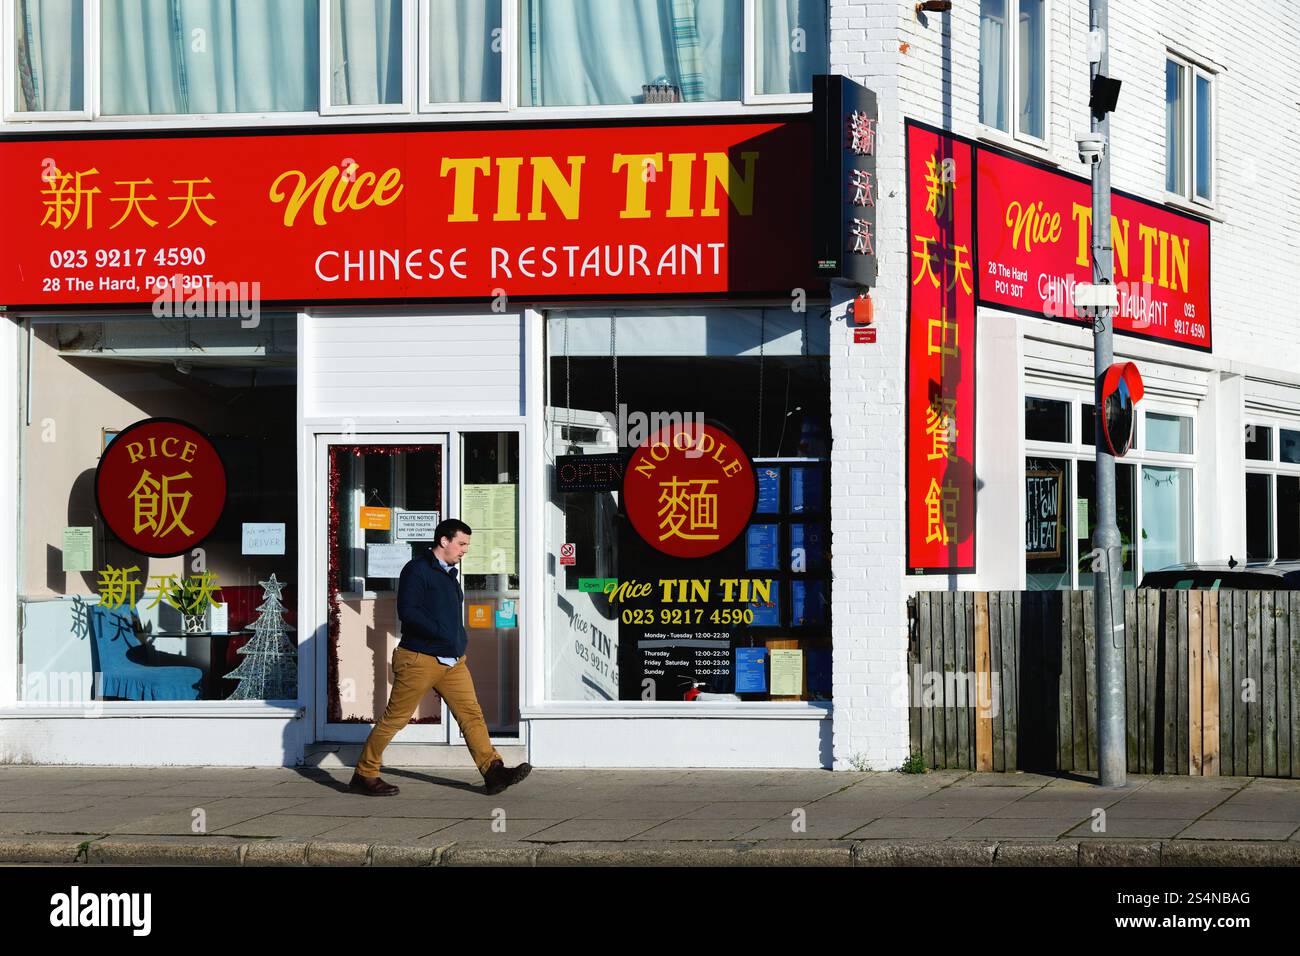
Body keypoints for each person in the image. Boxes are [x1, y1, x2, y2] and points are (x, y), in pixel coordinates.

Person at [350, 518, 531, 796]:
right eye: (461, 543)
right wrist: (442, 634)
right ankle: (365, 773)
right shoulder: (418, 570)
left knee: (471, 715)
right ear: (443, 541)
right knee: (395, 719)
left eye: (467, 545)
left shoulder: (449, 573)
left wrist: (457, 640)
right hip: (419, 658)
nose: (465, 550)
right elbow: (408, 612)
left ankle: (493, 771)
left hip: (452, 661)